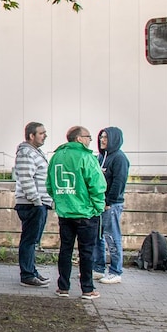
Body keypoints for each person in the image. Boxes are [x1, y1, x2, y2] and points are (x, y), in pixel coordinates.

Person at [47, 126, 107, 300]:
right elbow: (97, 185)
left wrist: (60, 202)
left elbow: (50, 185)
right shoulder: (86, 157)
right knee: (86, 252)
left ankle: (63, 287)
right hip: (86, 213)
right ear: (79, 139)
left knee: (65, 250)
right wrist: (98, 207)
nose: (90, 140)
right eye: (88, 137)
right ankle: (87, 289)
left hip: (65, 213)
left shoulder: (56, 157)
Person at [14, 122, 52, 287]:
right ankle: (27, 275)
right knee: (29, 240)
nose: (45, 135)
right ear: (31, 135)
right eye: (41, 133)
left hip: (38, 203)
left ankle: (32, 271)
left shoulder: (35, 153)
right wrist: (36, 201)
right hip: (32, 204)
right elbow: (25, 178)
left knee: (32, 240)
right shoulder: (26, 153)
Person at [94, 127, 130, 285]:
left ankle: (115, 271)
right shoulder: (100, 158)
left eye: (106, 138)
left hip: (111, 205)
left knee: (112, 237)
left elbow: (118, 182)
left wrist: (109, 202)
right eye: (101, 137)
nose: (102, 140)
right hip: (98, 204)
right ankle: (98, 268)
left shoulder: (119, 158)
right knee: (97, 236)